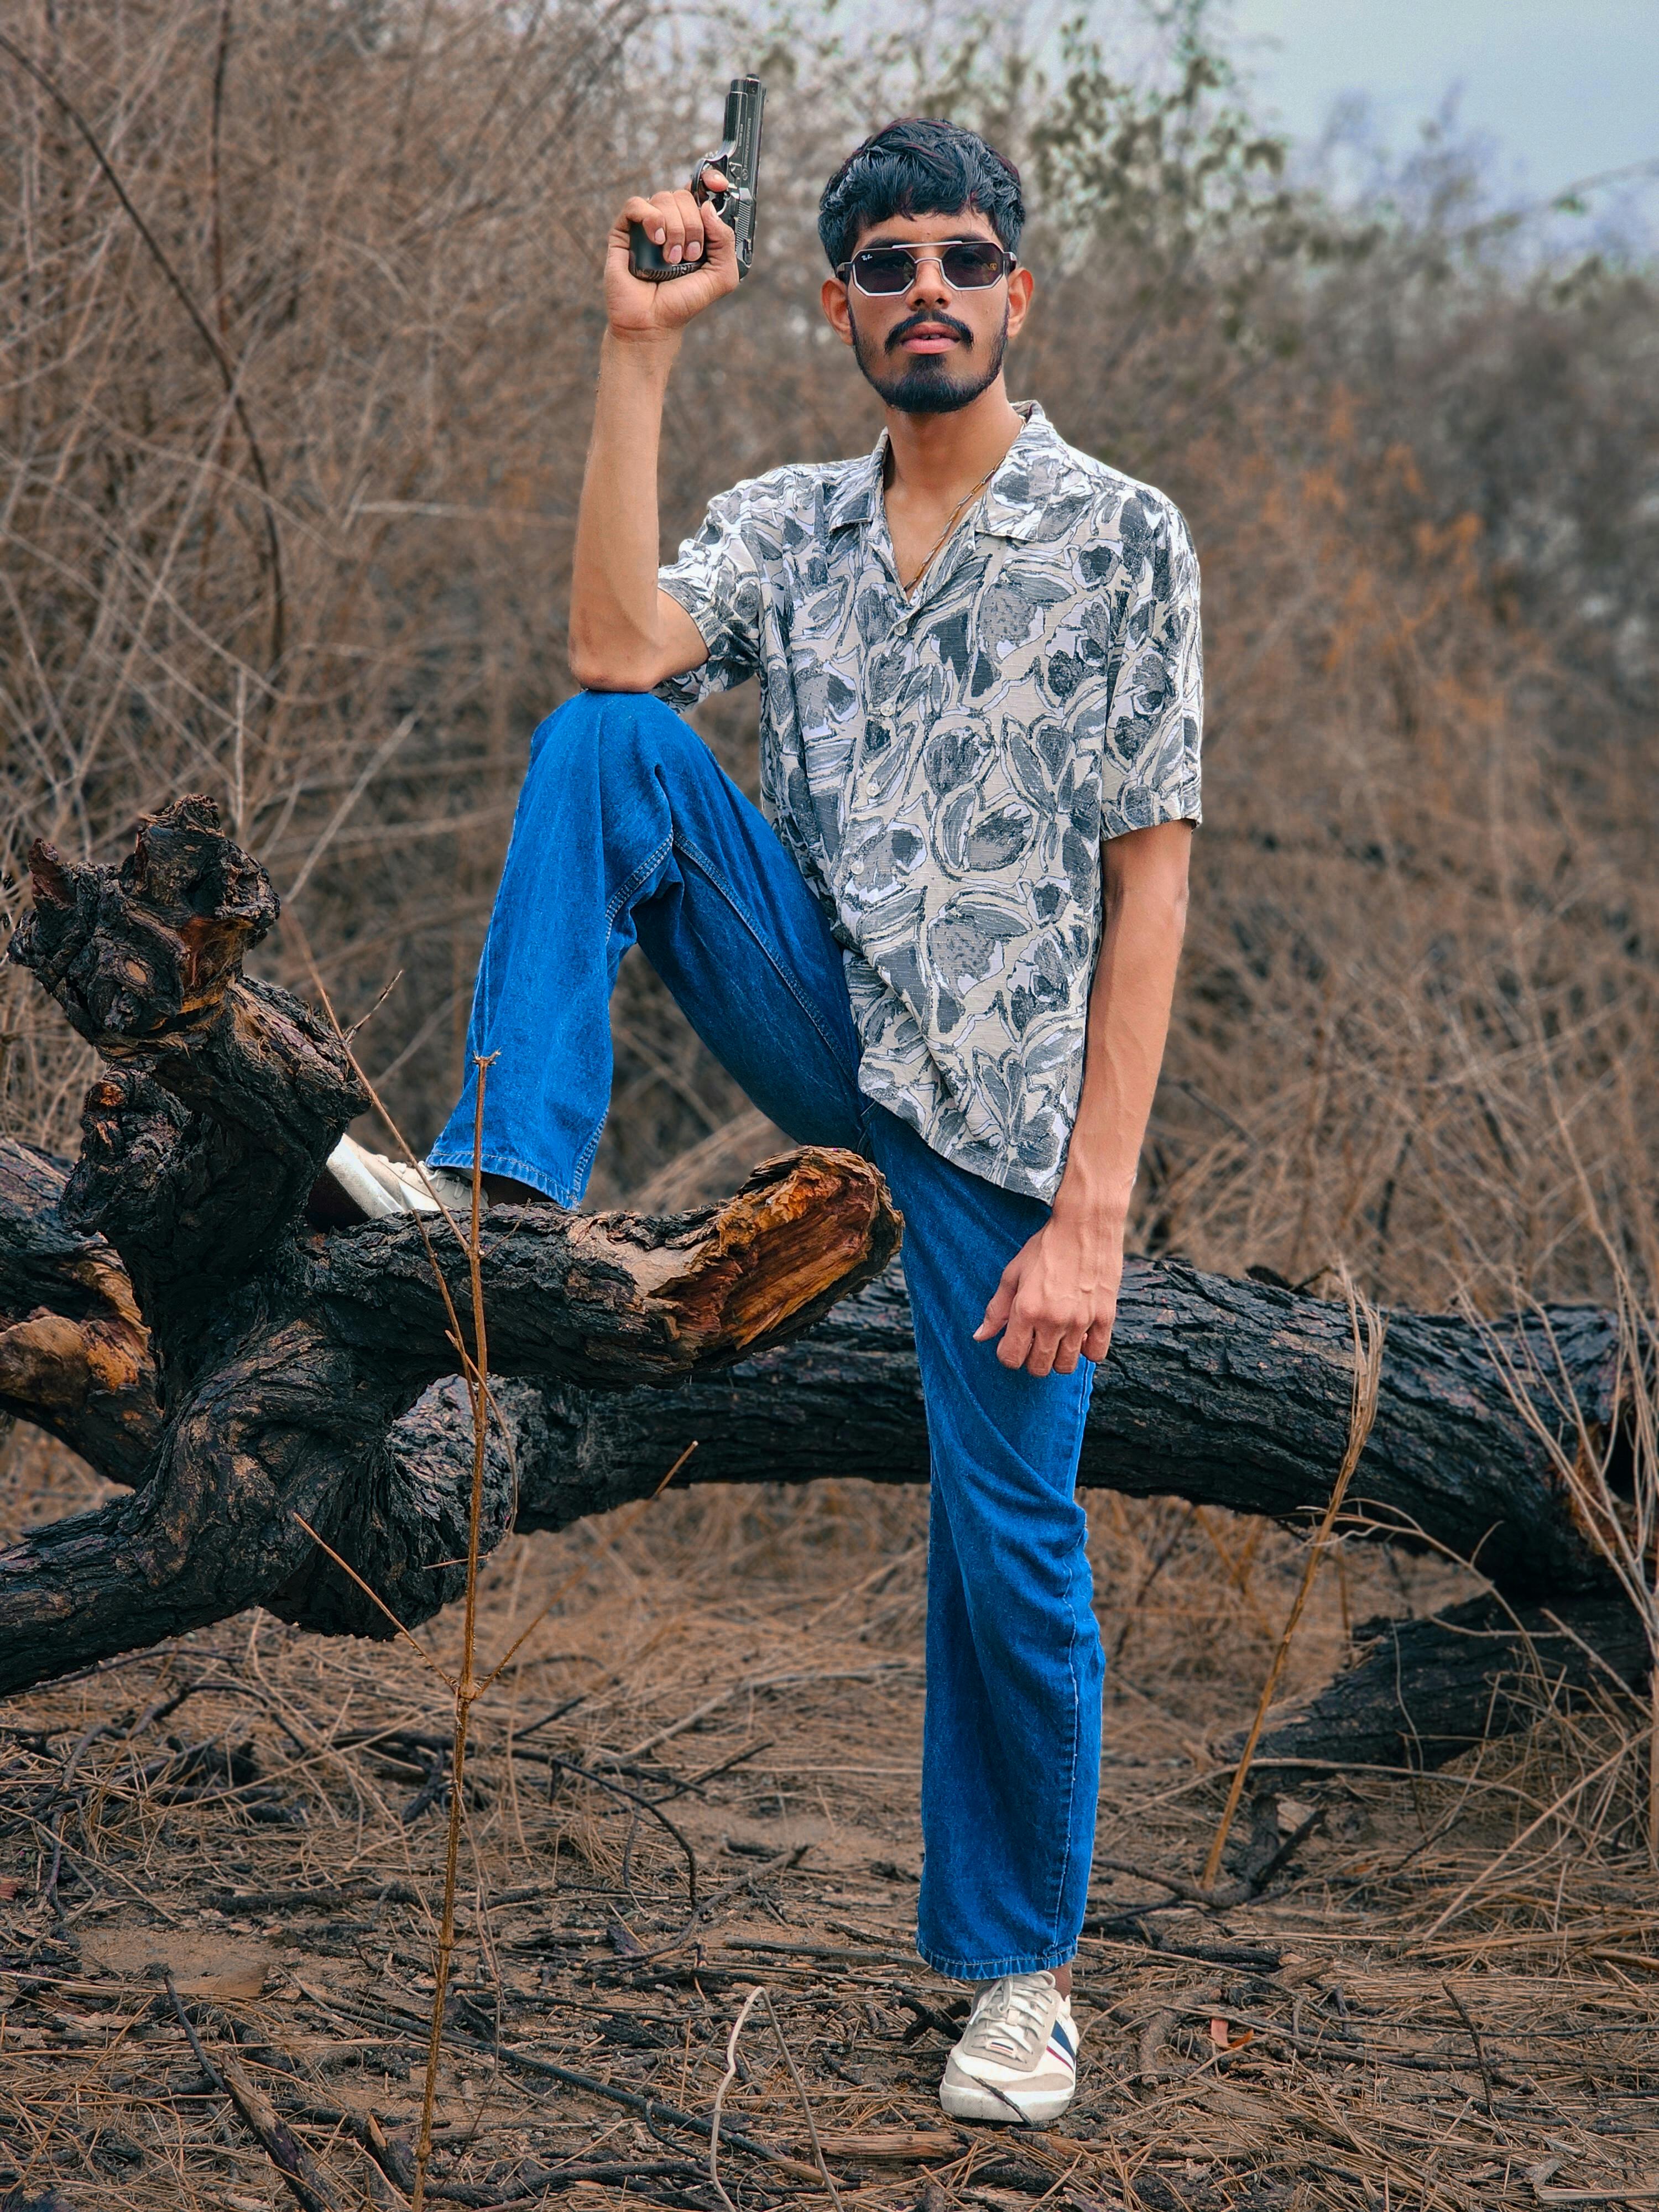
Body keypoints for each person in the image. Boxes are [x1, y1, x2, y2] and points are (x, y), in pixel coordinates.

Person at [322, 117, 1201, 2126]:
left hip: (997, 1108)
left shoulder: (1124, 534)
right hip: (816, 1011)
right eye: (886, 267)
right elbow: (620, 647)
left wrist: (1094, 1214)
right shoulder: (794, 524)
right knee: (610, 738)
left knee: (1015, 1543)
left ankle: (1018, 1982)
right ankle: (499, 1191)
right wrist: (636, 349)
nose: (928, 294)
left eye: (963, 261)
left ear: (1017, 293)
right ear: (836, 307)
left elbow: (1153, 881)